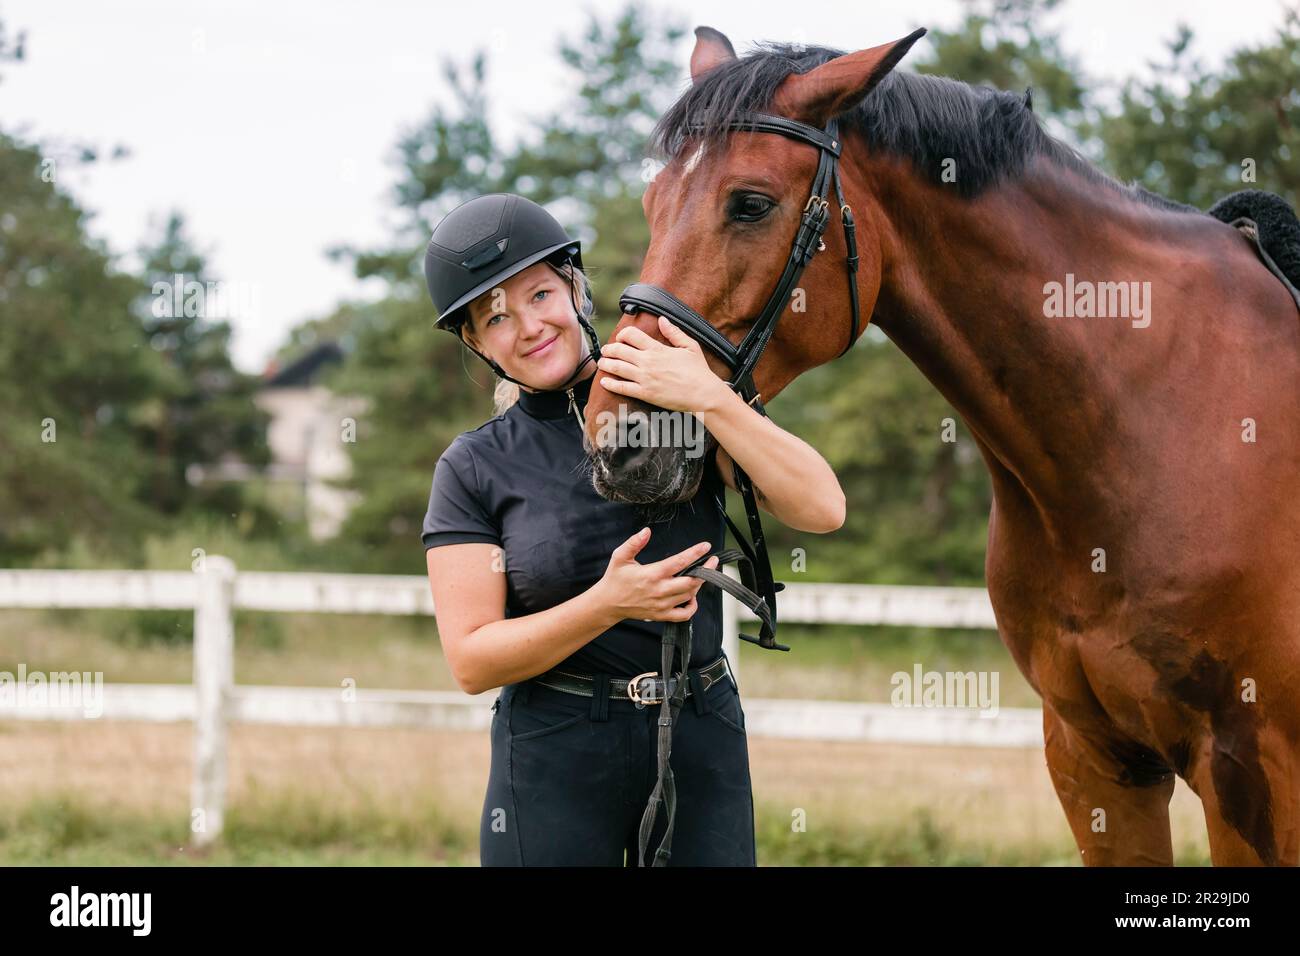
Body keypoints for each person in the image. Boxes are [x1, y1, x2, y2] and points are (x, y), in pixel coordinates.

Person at [421, 193, 845, 866]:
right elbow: (473, 661)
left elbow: (822, 508)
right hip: (555, 749)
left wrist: (709, 396)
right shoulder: (474, 466)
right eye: (496, 317)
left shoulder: (674, 400)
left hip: (700, 733)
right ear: (475, 341)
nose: (528, 326)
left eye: (539, 295)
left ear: (575, 290)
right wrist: (607, 605)